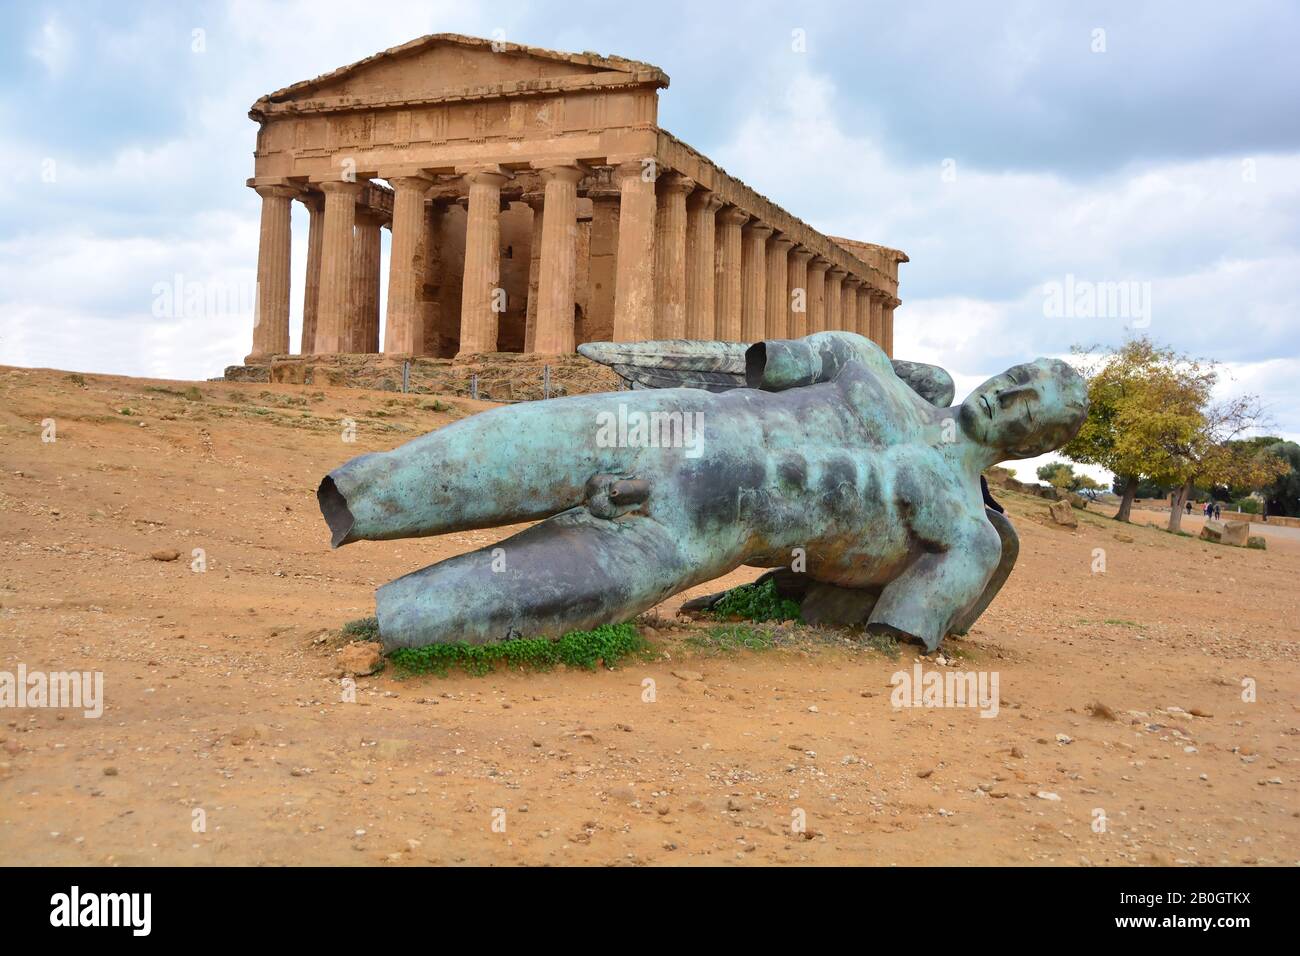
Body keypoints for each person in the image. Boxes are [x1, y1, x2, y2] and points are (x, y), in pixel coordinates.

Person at [321, 331, 1089, 652]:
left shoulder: (968, 532)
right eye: (1017, 380)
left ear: (1038, 445)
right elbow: (740, 363)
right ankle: (359, 502)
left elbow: (894, 631)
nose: (1008, 399)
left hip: (706, 523)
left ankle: (386, 629)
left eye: (1031, 410)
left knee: (466, 609)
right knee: (495, 447)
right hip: (662, 421)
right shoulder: (865, 361)